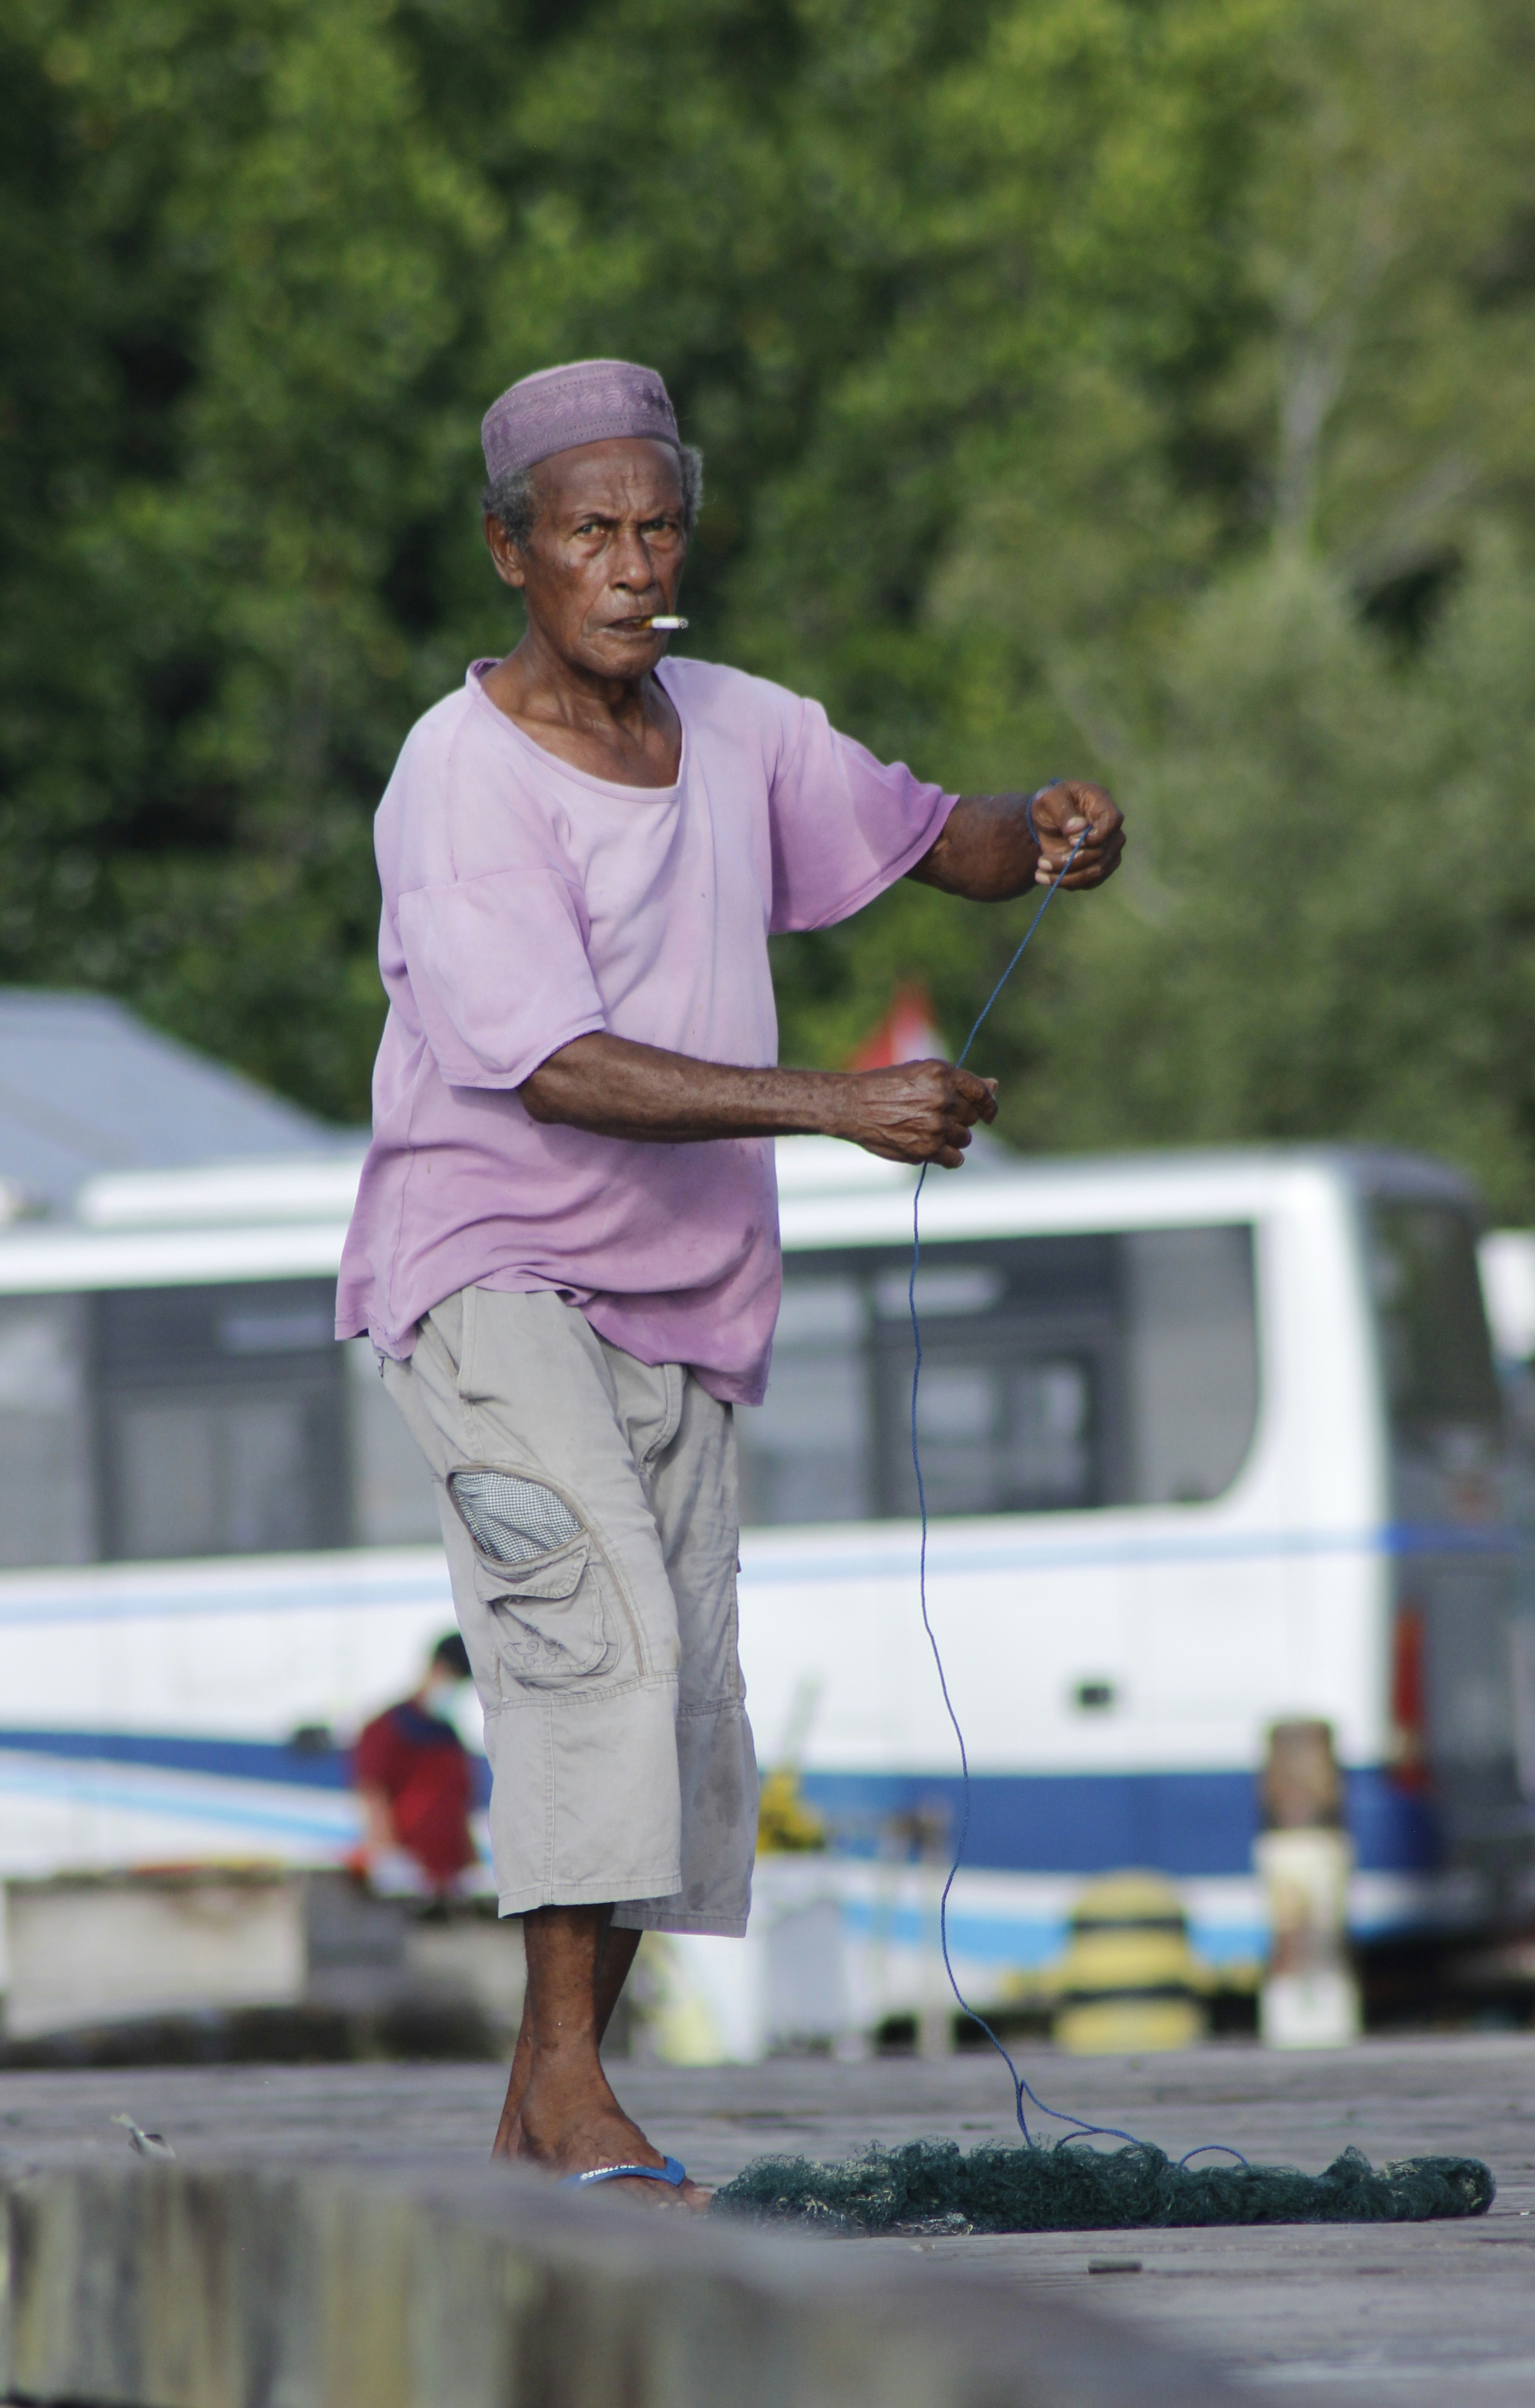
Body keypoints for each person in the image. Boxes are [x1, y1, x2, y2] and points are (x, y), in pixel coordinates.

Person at [335, 356, 1124, 2208]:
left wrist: (1056, 832)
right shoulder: (458, 779)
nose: (629, 566)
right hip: (491, 1265)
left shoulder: (746, 730)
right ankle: (569, 2085)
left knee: (689, 1699)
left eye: (658, 528)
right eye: (588, 533)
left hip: (687, 1293)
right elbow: (554, 1066)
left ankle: (552, 2101)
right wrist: (840, 1104)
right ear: (510, 553)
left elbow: (945, 838)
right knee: (597, 1629)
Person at [352, 1633, 479, 1896]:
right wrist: (389, 1857)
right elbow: (373, 1795)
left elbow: (459, 1808)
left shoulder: (450, 1738)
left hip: (448, 1883)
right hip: (406, 1878)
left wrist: (472, 1867)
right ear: (435, 1670)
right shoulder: (386, 1728)